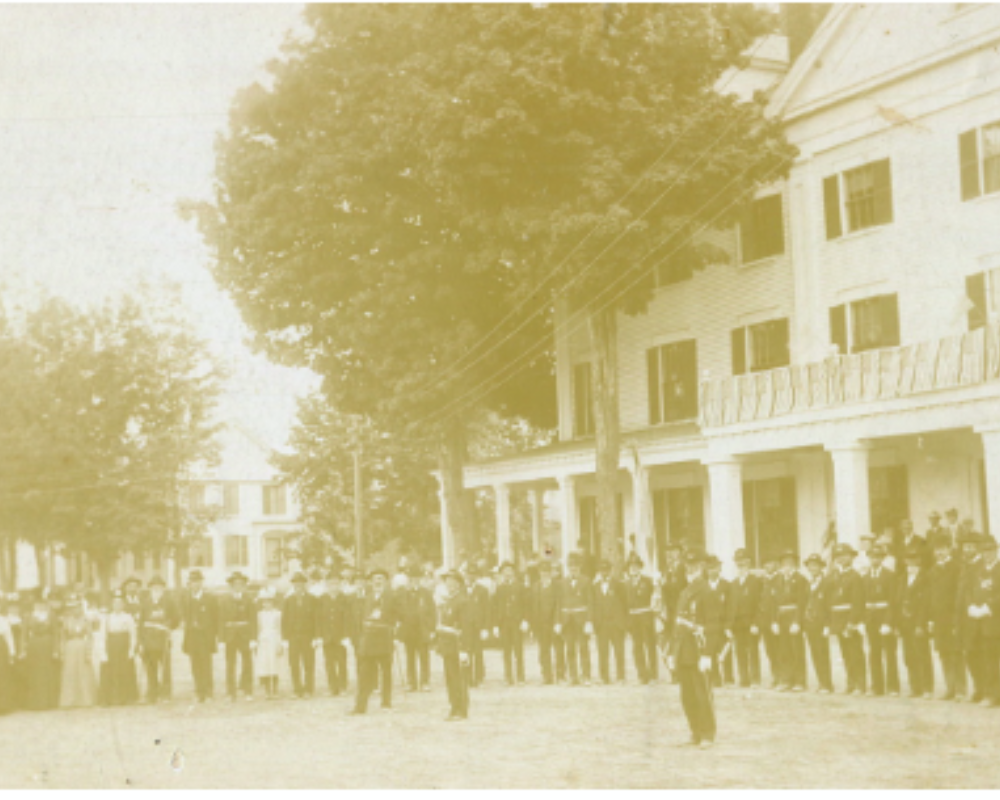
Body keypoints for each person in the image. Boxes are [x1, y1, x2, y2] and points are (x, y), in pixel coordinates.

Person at [668, 550, 715, 749]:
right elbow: (678, 624)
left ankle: (707, 734)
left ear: (702, 568)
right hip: (683, 650)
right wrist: (672, 652)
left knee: (702, 694)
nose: (690, 570)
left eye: (694, 567)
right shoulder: (685, 592)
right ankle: (695, 731)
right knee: (687, 695)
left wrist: (707, 654)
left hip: (698, 649)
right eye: (688, 567)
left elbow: (713, 624)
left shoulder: (707, 591)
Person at [958, 534, 1000, 706]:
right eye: (985, 551)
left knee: (992, 658)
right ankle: (981, 689)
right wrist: (970, 606)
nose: (987, 554)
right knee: (974, 655)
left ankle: (994, 694)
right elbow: (968, 589)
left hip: (993, 620)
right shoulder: (977, 570)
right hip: (975, 620)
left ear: (996, 550)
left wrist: (988, 607)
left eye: (990, 550)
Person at [350, 568, 396, 714]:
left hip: (384, 637)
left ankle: (386, 702)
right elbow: (359, 617)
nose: (377, 581)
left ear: (386, 581)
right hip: (368, 638)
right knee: (364, 672)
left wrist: (396, 635)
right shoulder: (367, 597)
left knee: (386, 671)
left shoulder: (392, 597)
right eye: (375, 579)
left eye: (380, 578)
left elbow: (400, 616)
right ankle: (360, 706)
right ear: (371, 581)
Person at [928, 532, 965, 700]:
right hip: (939, 619)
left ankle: (961, 689)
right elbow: (931, 597)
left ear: (949, 549)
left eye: (942, 548)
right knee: (943, 653)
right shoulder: (932, 571)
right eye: (937, 549)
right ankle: (950, 688)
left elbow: (960, 595)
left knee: (956, 652)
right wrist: (931, 619)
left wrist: (957, 618)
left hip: (953, 618)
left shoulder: (957, 567)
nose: (939, 552)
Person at [826, 543, 866, 695]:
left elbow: (858, 602)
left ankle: (860, 684)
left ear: (851, 557)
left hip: (850, 618)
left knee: (855, 652)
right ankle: (851, 682)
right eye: (838, 556)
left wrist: (852, 622)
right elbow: (830, 599)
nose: (841, 558)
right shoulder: (834, 576)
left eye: (844, 555)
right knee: (845, 653)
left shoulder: (855, 576)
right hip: (838, 619)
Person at [897, 546, 933, 699]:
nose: (911, 563)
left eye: (914, 559)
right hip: (905, 623)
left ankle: (927, 688)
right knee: (909, 656)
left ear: (919, 561)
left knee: (922, 654)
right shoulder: (901, 578)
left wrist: (920, 624)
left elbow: (926, 603)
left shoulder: (926, 577)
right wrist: (897, 624)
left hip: (918, 622)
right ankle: (915, 687)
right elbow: (897, 601)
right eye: (908, 559)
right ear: (905, 561)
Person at [864, 544, 900, 697]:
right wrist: (863, 620)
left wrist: (888, 622)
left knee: (890, 652)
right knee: (874, 652)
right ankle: (877, 686)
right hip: (871, 618)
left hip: (885, 616)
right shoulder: (865, 576)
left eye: (878, 557)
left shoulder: (890, 575)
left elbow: (893, 601)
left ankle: (893, 687)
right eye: (872, 557)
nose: (875, 560)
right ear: (869, 558)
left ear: (882, 558)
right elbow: (862, 600)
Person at [436, 570, 472, 721]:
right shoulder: (449, 601)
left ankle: (461, 709)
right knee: (450, 678)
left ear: (458, 584)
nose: (449, 585)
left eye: (452, 582)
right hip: (448, 645)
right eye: (447, 582)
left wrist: (464, 649)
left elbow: (466, 626)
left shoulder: (462, 601)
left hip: (457, 645)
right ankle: (454, 706)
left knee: (458, 678)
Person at [771, 551, 808, 692]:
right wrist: (774, 621)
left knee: (796, 649)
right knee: (783, 650)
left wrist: (797, 621)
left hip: (794, 616)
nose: (787, 565)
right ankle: (786, 680)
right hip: (781, 618)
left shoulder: (801, 579)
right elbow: (773, 602)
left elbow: (802, 602)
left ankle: (799, 681)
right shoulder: (776, 580)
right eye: (784, 562)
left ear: (795, 564)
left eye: (790, 562)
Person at [138, 575, 178, 704]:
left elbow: (176, 618)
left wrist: (171, 624)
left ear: (163, 588)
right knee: (151, 667)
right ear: (150, 588)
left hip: (163, 639)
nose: (156, 589)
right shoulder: (145, 603)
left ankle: (165, 693)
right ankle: (152, 693)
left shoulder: (169, 602)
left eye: (159, 587)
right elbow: (141, 623)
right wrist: (141, 641)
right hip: (149, 639)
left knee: (165, 668)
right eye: (154, 587)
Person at [181, 569, 218, 703]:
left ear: (202, 583)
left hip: (205, 636)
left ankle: (208, 692)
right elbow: (184, 616)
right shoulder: (186, 598)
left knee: (206, 663)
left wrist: (213, 635)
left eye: (197, 581)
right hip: (192, 635)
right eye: (192, 582)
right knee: (195, 664)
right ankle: (199, 691)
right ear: (189, 584)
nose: (195, 584)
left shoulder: (210, 598)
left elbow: (215, 618)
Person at [220, 571, 257, 701]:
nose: (238, 586)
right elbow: (221, 620)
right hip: (230, 635)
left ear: (244, 585)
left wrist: (253, 638)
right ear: (231, 585)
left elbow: (253, 619)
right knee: (230, 664)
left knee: (247, 663)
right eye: (235, 584)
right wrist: (221, 639)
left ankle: (248, 691)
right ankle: (231, 692)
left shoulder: (249, 600)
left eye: (241, 584)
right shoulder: (224, 600)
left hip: (245, 635)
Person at [557, 552, 593, 686]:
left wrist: (589, 621)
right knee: (570, 648)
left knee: (583, 647)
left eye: (576, 566)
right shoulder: (562, 582)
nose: (573, 569)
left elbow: (590, 602)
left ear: (580, 567)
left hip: (581, 620)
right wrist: (558, 621)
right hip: (567, 621)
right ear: (567, 567)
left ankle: (586, 676)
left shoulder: (586, 581)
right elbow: (559, 603)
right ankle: (573, 676)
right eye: (571, 566)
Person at [728, 548, 762, 689]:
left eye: (743, 562)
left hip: (751, 622)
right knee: (740, 651)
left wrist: (756, 623)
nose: (741, 565)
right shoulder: (734, 583)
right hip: (737, 623)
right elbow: (731, 606)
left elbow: (760, 603)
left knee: (752, 650)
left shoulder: (756, 581)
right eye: (738, 562)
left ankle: (755, 679)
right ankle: (744, 678)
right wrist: (729, 625)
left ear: (749, 563)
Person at [283, 571, 319, 699]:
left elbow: (316, 619)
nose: (298, 586)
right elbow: (285, 620)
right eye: (296, 584)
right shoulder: (288, 600)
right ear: (293, 585)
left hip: (308, 636)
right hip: (293, 636)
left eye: (301, 584)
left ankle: (309, 689)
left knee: (308, 663)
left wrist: (316, 637)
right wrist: (285, 639)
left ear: (305, 585)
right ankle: (297, 689)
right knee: (294, 664)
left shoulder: (312, 599)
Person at [21, 594, 60, 710]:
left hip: (47, 646)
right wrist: (23, 649)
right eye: (38, 604)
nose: (40, 606)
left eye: (42, 604)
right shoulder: (28, 616)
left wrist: (55, 650)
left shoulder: (51, 615)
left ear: (45, 605)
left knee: (48, 673)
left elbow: (56, 633)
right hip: (34, 647)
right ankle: (36, 703)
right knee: (35, 674)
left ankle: (49, 702)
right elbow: (24, 634)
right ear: (34, 605)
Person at [624, 554, 658, 685]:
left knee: (650, 645)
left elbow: (655, 598)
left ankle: (653, 674)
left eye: (636, 566)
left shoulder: (648, 581)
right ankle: (642, 674)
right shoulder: (626, 583)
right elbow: (624, 603)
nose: (633, 568)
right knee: (637, 647)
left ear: (640, 567)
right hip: (633, 618)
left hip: (646, 616)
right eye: (631, 566)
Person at [592, 559, 627, 684]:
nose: (604, 573)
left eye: (606, 570)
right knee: (603, 651)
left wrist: (623, 622)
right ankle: (604, 677)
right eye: (602, 570)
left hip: (616, 623)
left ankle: (621, 676)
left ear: (610, 571)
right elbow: (593, 605)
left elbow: (625, 603)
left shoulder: (618, 585)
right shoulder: (595, 586)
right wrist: (594, 623)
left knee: (619, 651)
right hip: (602, 624)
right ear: (599, 572)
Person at [100, 591, 138, 707]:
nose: (117, 605)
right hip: (112, 646)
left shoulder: (128, 617)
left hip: (124, 646)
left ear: (123, 605)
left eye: (120, 603)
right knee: (110, 671)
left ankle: (126, 697)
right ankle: (110, 698)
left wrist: (131, 650)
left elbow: (133, 634)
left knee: (125, 671)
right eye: (115, 603)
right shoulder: (107, 618)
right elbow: (103, 635)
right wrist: (103, 652)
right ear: (112, 605)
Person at [493, 561, 528, 686]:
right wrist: (496, 625)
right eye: (505, 571)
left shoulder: (520, 586)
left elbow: (525, 604)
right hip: (504, 622)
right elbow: (495, 607)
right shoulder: (500, 588)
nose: (507, 573)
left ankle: (520, 676)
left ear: (513, 572)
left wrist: (525, 620)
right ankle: (508, 676)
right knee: (506, 650)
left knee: (518, 650)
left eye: (509, 571)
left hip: (516, 621)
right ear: (502, 573)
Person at [803, 553, 833, 694]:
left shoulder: (827, 583)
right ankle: (821, 682)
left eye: (815, 565)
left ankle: (827, 684)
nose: (813, 568)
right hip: (810, 623)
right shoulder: (808, 583)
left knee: (823, 653)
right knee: (815, 653)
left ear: (821, 567)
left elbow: (829, 605)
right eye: (810, 566)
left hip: (822, 623)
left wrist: (827, 624)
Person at [59, 599, 97, 709]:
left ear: (81, 608)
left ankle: (86, 700)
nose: (75, 610)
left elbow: (90, 636)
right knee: (70, 673)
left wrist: (89, 651)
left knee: (84, 672)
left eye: (77, 608)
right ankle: (69, 700)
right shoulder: (66, 621)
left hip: (82, 646)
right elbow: (63, 637)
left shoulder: (86, 620)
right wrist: (62, 651)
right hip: (70, 647)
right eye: (73, 608)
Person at [319, 572, 349, 696]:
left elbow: (348, 618)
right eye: (331, 583)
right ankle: (332, 687)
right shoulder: (322, 599)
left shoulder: (345, 598)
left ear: (340, 584)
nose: (334, 586)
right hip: (327, 636)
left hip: (340, 637)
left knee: (342, 662)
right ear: (327, 584)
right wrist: (319, 635)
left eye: (336, 583)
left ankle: (342, 686)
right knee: (329, 663)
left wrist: (346, 636)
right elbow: (318, 618)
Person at [532, 560, 562, 685]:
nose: (544, 574)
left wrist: (558, 622)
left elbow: (559, 604)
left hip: (554, 623)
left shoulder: (557, 585)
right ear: (539, 573)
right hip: (541, 624)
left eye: (547, 571)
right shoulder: (536, 586)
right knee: (543, 650)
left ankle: (560, 674)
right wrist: (534, 626)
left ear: (551, 572)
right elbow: (533, 606)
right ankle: (546, 675)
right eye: (542, 572)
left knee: (558, 649)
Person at [702, 556, 730, 688]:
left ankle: (729, 677)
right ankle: (715, 677)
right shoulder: (703, 586)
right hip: (708, 623)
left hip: (722, 623)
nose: (712, 571)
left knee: (725, 650)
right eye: (710, 568)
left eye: (715, 568)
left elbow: (731, 606)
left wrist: (728, 625)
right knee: (710, 651)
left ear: (719, 569)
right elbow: (699, 607)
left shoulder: (726, 585)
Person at [464, 564, 491, 687]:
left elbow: (487, 610)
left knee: (478, 652)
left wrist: (486, 627)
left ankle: (479, 677)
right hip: (465, 626)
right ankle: (468, 678)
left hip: (478, 626)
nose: (470, 577)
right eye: (469, 574)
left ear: (476, 576)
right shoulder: (462, 589)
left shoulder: (482, 590)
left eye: (473, 575)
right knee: (467, 652)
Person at [757, 553, 781, 688]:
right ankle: (775, 676)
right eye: (765, 564)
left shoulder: (781, 579)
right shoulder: (761, 581)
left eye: (770, 563)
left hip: (778, 620)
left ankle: (784, 677)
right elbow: (758, 601)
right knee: (770, 650)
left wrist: (776, 620)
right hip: (765, 620)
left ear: (776, 564)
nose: (768, 566)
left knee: (780, 649)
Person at [256, 587, 283, 699]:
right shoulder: (259, 614)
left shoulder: (278, 614)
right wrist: (257, 642)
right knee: (265, 665)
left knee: (275, 664)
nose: (267, 604)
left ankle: (275, 690)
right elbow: (258, 629)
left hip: (274, 639)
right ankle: (267, 690)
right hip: (263, 640)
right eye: (265, 602)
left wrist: (280, 643)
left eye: (269, 602)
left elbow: (280, 628)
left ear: (273, 603)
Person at [0, 597, 15, 715]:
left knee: (2, 675)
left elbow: (9, 637)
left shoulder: (3, 620)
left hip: (1, 648)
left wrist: (12, 652)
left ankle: (3, 705)